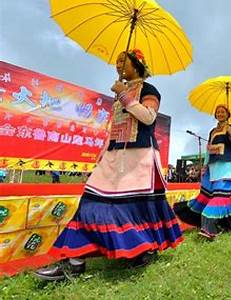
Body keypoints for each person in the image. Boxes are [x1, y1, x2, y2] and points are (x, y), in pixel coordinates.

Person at [35, 49, 183, 281]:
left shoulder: (149, 90)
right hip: (115, 158)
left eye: (123, 61)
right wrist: (103, 153)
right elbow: (115, 128)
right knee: (90, 202)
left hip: (139, 159)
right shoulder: (118, 95)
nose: (118, 65)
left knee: (133, 208)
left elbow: (148, 118)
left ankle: (139, 251)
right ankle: (74, 261)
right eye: (116, 62)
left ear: (137, 64)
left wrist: (125, 95)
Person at [174, 105, 231, 240]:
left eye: (223, 112)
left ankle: (209, 228)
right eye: (218, 112)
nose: (220, 114)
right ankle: (229, 225)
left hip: (225, 167)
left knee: (220, 197)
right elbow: (208, 150)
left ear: (228, 114)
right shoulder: (212, 131)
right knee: (207, 196)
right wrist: (204, 166)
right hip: (212, 168)